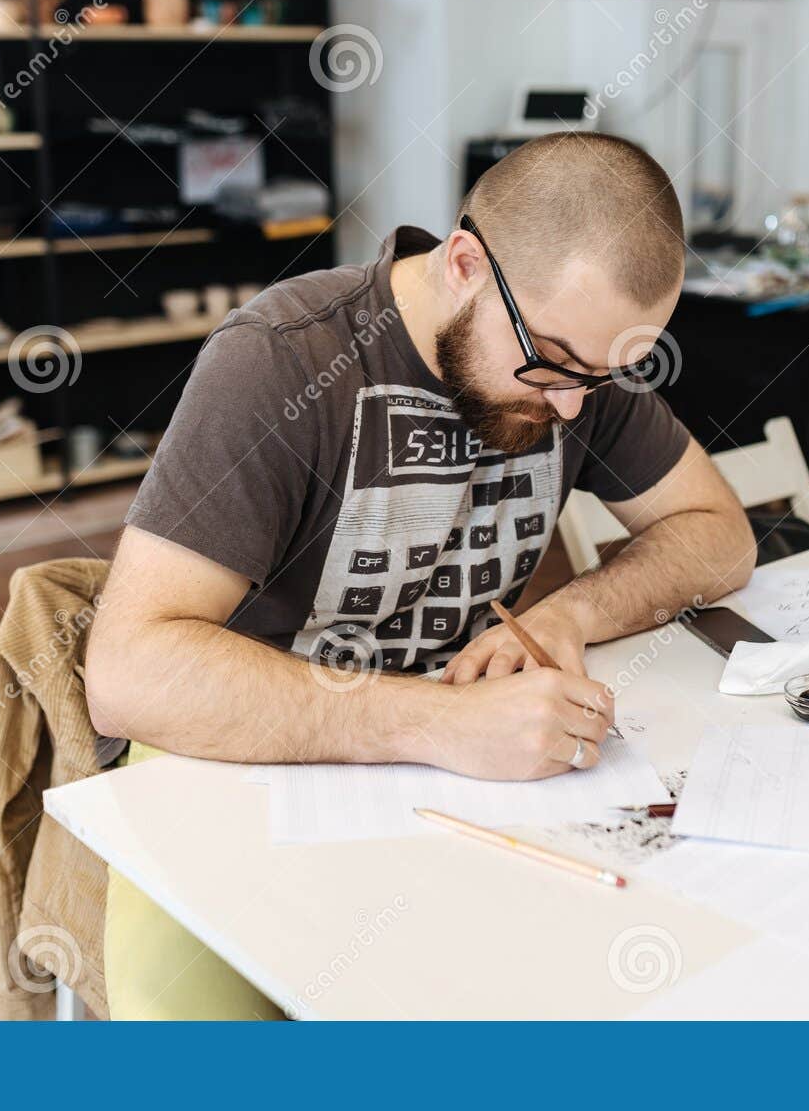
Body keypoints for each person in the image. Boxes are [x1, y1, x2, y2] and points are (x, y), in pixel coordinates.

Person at [85, 131, 755, 1018]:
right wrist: (434, 721)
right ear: (467, 263)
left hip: (446, 774)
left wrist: (570, 615)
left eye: (606, 374)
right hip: (228, 761)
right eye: (552, 363)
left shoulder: (577, 359)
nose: (568, 407)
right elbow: (130, 673)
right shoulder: (283, 361)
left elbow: (719, 534)